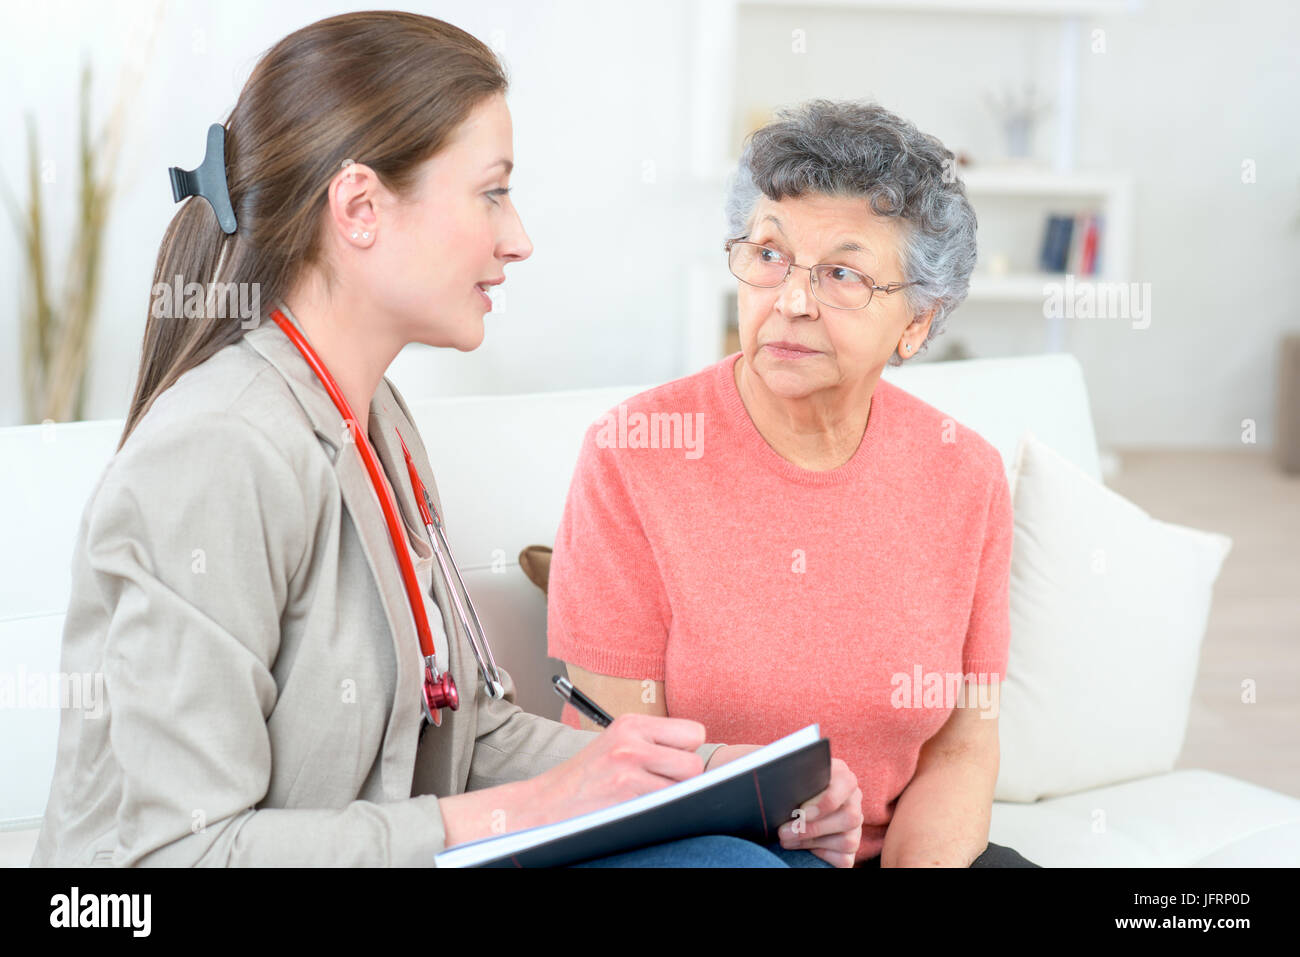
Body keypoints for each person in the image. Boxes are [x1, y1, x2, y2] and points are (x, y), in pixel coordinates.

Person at [30, 11, 861, 868]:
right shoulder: (218, 450)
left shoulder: (376, 418)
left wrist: (723, 777)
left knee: (759, 849)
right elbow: (174, 857)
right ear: (358, 206)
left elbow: (465, 734)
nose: (519, 238)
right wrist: (528, 808)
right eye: (492, 191)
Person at [548, 99, 1040, 868]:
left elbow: (963, 742)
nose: (792, 301)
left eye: (842, 273)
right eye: (770, 254)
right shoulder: (634, 453)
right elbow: (624, 762)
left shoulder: (964, 474)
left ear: (917, 321)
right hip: (694, 848)